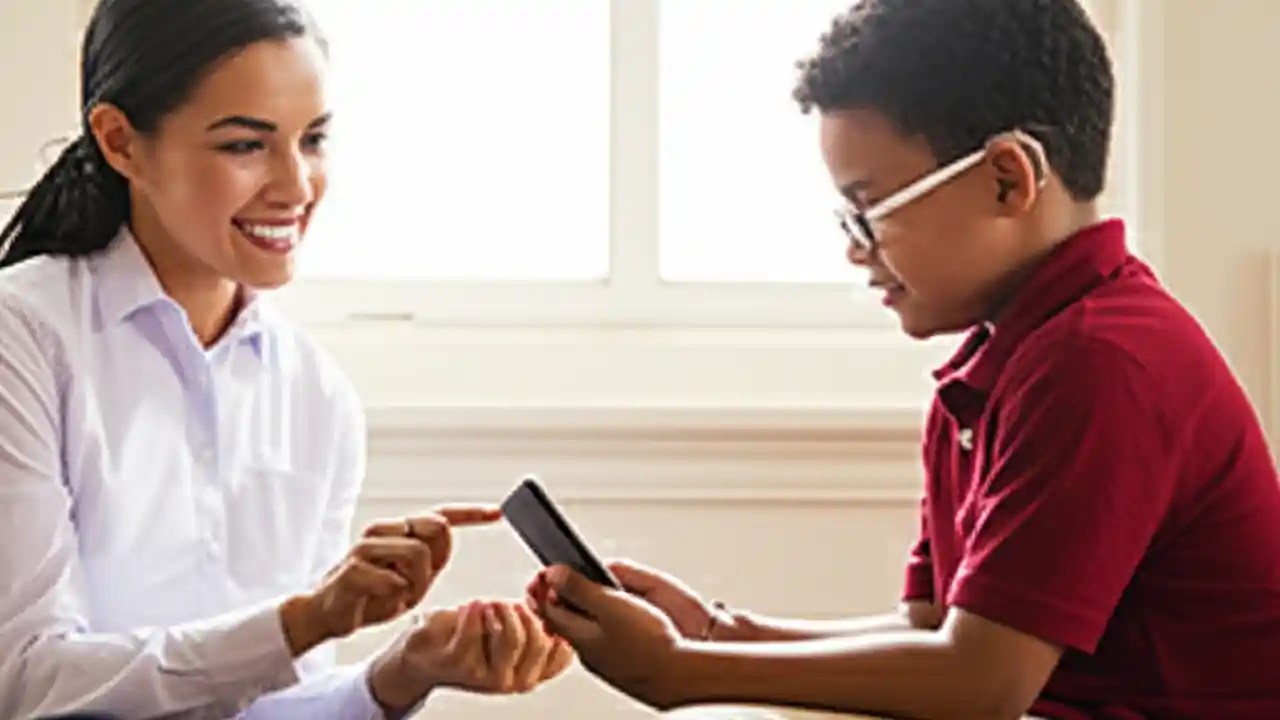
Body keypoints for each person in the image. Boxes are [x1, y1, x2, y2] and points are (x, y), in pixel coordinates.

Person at [529, 0, 1280, 718]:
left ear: (1008, 179)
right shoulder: (996, 365)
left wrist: (681, 673)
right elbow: (930, 633)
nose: (855, 250)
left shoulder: (1103, 363)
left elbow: (982, 683)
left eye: (869, 211)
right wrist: (716, 633)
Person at [0, 1, 572, 717]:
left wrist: (400, 674)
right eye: (246, 145)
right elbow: (26, 679)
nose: (297, 187)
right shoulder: (23, 336)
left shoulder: (315, 395)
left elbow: (269, 704)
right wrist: (305, 619)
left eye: (314, 139)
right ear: (121, 143)